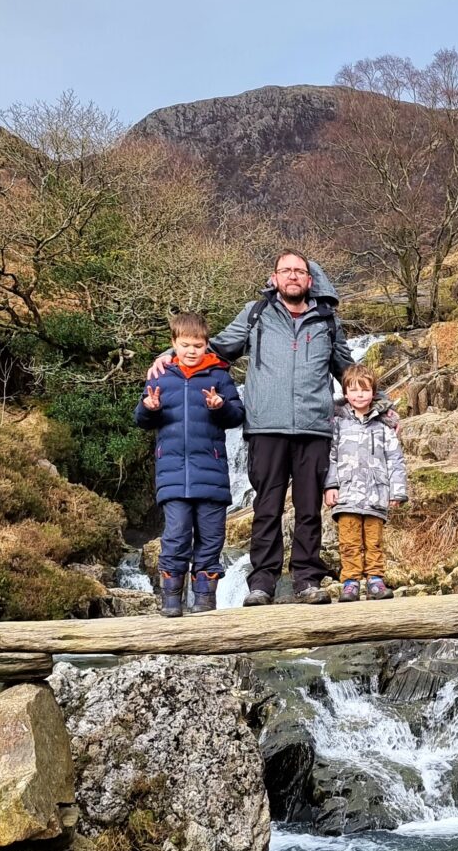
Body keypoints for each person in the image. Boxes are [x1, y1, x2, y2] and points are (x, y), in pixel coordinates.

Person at [148, 250, 346, 606]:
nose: (292, 276)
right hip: (265, 427)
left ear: (310, 279)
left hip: (314, 428)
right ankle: (262, 583)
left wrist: (377, 404)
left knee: (308, 508)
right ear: (275, 278)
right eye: (285, 270)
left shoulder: (327, 321)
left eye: (298, 271)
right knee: (266, 507)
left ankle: (306, 579)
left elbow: (346, 367)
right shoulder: (256, 314)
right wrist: (169, 356)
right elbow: (217, 349)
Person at [135, 311, 244, 616]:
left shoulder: (219, 376)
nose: (192, 350)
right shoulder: (160, 376)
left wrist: (220, 407)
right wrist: (149, 408)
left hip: (211, 474)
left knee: (211, 538)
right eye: (185, 344)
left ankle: (205, 601)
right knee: (176, 535)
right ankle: (171, 600)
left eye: (198, 345)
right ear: (174, 344)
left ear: (206, 344)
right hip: (172, 475)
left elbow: (237, 416)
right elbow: (140, 419)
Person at [324, 363, 409, 601]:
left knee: (374, 541)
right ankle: (350, 582)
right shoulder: (338, 422)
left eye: (365, 389)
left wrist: (397, 491)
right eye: (354, 390)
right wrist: (330, 486)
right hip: (347, 495)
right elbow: (330, 457)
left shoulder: (384, 424)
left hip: (376, 494)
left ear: (373, 392)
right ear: (345, 393)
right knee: (349, 542)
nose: (359, 395)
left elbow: (395, 459)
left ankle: (375, 581)